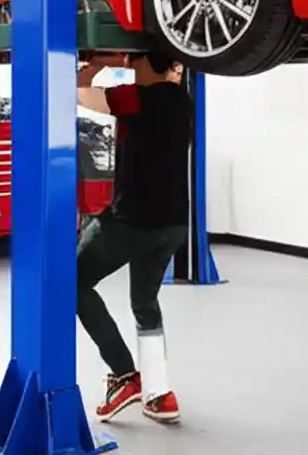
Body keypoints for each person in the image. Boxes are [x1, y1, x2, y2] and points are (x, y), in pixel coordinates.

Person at [75, 51, 192, 424]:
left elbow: (78, 93)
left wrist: (93, 65)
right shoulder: (183, 102)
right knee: (144, 302)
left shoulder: (136, 97)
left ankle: (124, 374)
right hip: (173, 224)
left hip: (133, 222)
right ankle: (159, 393)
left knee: (72, 283)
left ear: (141, 61)